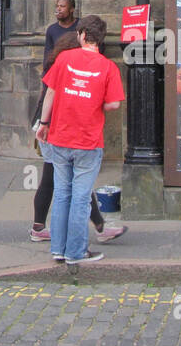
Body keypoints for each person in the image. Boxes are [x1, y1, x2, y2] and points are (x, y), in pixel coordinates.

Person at [36, 15, 124, 265]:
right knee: (81, 197)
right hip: (88, 141)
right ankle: (76, 252)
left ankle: (58, 249)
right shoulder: (108, 67)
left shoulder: (64, 59)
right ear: (100, 38)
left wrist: (43, 124)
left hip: (60, 137)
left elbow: (50, 91)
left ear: (82, 34)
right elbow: (113, 104)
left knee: (62, 194)